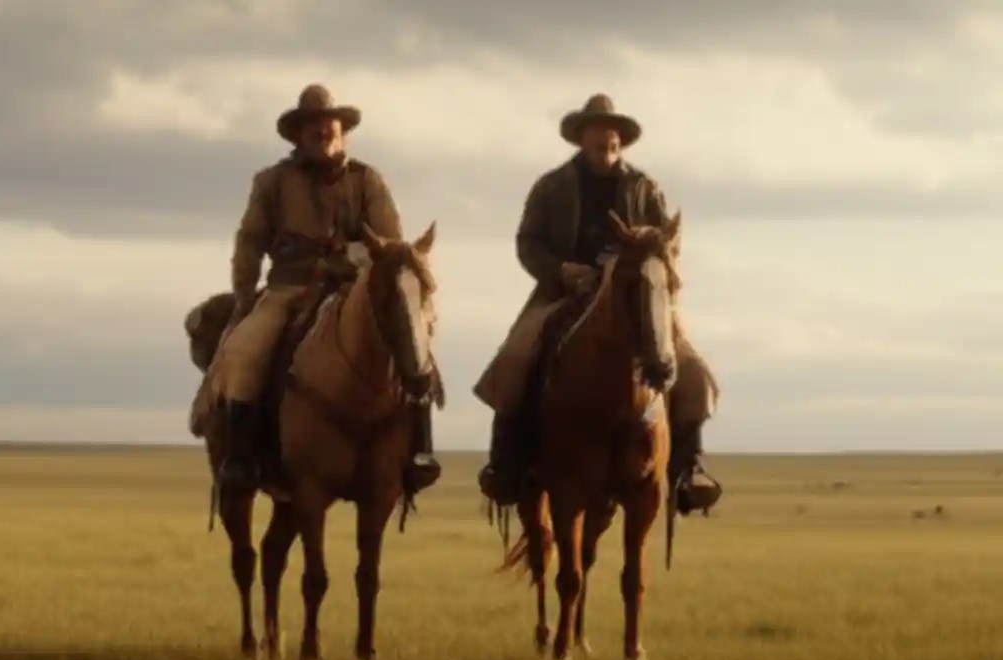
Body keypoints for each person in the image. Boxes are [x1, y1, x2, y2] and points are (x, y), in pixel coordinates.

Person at [473, 93, 720, 512]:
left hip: (635, 295)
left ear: (620, 140)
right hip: (565, 291)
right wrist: (561, 271)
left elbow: (666, 245)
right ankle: (506, 465)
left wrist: (654, 274)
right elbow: (527, 243)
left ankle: (688, 467)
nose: (605, 140)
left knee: (692, 367)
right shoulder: (551, 186)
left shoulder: (646, 188)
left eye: (612, 134)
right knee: (515, 357)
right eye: (596, 132)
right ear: (581, 137)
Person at [200, 84, 441, 495]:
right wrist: (244, 293)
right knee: (244, 351)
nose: (323, 130)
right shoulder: (273, 181)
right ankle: (240, 458)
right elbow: (250, 239)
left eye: (330, 123)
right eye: (313, 124)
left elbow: (391, 242)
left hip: (354, 288)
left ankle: (418, 453)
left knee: (415, 346)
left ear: (342, 129)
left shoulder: (368, 180)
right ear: (299, 134)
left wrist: (362, 260)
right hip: (289, 287)